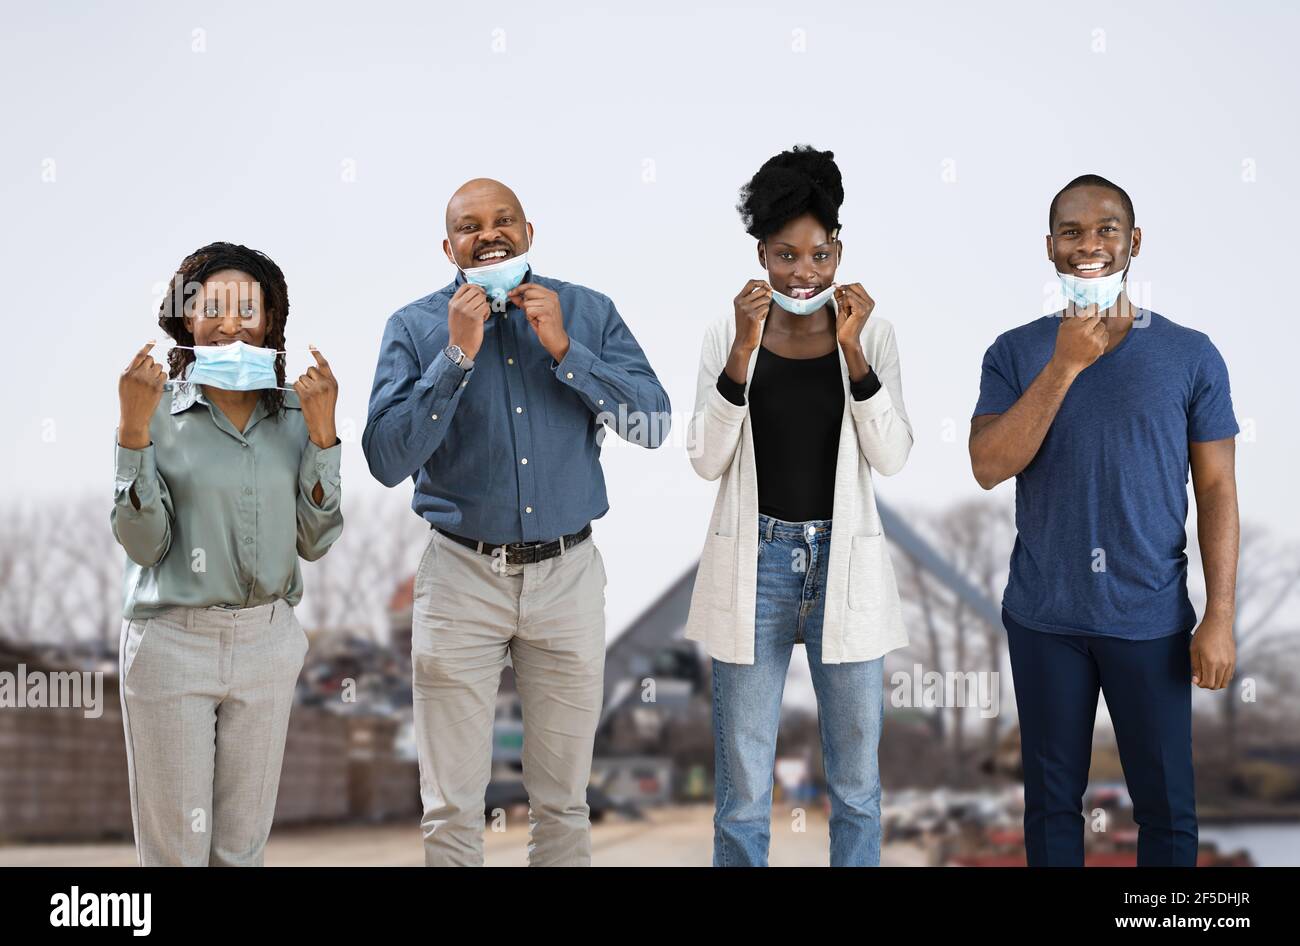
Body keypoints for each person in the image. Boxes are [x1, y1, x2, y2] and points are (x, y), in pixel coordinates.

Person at [362, 178, 671, 866]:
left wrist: (567, 351)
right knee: (451, 805)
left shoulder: (588, 312)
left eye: (503, 220)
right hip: (460, 576)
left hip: (568, 577)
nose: (489, 233)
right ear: (449, 247)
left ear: (529, 232)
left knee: (563, 800)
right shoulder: (414, 328)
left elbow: (652, 423)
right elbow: (386, 459)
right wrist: (456, 356)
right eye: (470, 226)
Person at [969, 174, 1240, 866]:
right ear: (1051, 247)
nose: (1089, 244)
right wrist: (1063, 367)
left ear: (1134, 242)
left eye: (1106, 229)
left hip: (1150, 620)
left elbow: (1216, 490)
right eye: (1072, 232)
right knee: (1052, 808)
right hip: (1044, 618)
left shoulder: (1192, 355)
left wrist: (1220, 617)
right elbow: (988, 464)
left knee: (1168, 810)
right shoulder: (1014, 352)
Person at [684, 146, 913, 866]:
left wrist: (853, 353)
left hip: (845, 567)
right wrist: (742, 354)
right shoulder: (728, 332)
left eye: (818, 254)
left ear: (838, 249)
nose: (803, 273)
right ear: (762, 254)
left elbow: (894, 455)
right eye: (786, 256)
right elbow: (704, 458)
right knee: (745, 788)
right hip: (754, 566)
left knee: (856, 786)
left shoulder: (872, 332)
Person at [112, 241, 343, 866]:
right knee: (175, 855)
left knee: (241, 851)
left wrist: (324, 436)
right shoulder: (154, 410)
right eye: (212, 306)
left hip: (267, 643)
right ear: (187, 319)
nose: (231, 322)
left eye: (249, 308)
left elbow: (316, 541)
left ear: (271, 321)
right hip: (172, 642)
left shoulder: (297, 414)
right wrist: (132, 433)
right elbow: (145, 543)